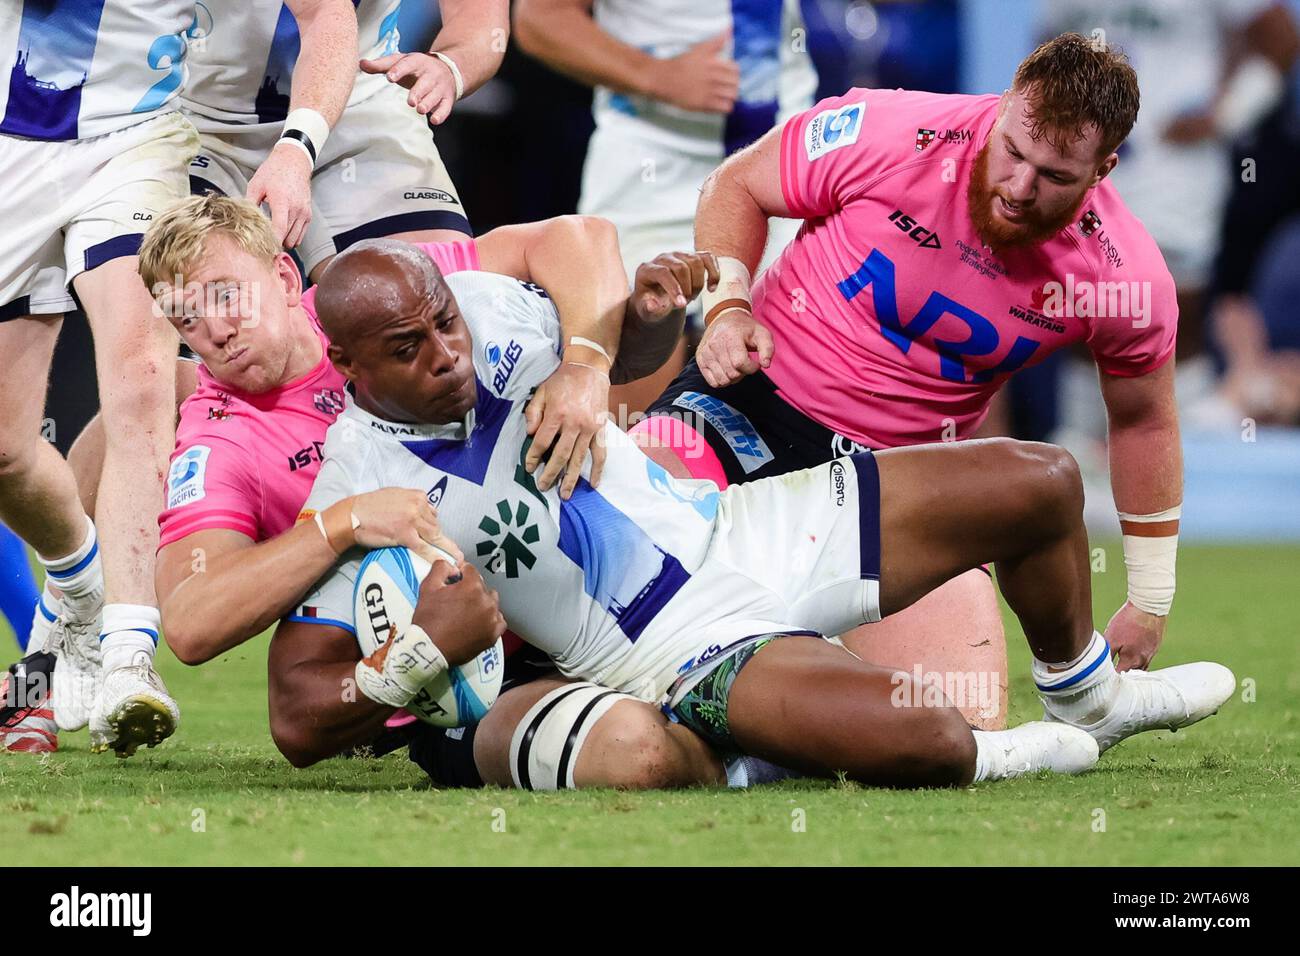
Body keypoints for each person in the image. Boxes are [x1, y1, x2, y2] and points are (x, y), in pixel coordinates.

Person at [268, 239, 1237, 790]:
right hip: (665, 645)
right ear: (348, 368)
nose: (447, 349)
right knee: (929, 736)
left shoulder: (484, 311)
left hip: (741, 525)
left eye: (443, 319)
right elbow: (295, 713)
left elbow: (581, 249)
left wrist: (603, 345)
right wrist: (405, 660)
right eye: (410, 345)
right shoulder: (354, 488)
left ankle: (1084, 695)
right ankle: (773, 749)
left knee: (1042, 480)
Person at [631, 33, 1192, 732]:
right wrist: (727, 309)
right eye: (1013, 152)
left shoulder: (1121, 275)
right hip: (748, 406)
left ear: (1103, 170)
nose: (1019, 188)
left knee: (953, 730)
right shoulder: (893, 129)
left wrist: (1150, 597)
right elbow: (738, 183)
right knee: (616, 557)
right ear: (1001, 112)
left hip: (899, 481)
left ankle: (788, 672)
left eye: (1053, 176)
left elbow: (1145, 421)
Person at [0, 0, 202, 756]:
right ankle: (78, 598)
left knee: (147, 371)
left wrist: (300, 143)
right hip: (9, 148)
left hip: (134, 138)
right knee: (6, 452)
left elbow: (321, 16)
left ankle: (128, 654)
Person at [514, 0, 818, 414]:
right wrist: (657, 76)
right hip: (646, 165)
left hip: (780, 161)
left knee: (789, 372)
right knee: (621, 383)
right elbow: (539, 18)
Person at [183, 0, 509, 281]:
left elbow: (479, 21)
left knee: (426, 302)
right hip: (203, 120)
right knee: (195, 315)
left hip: (359, 101)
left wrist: (450, 67)